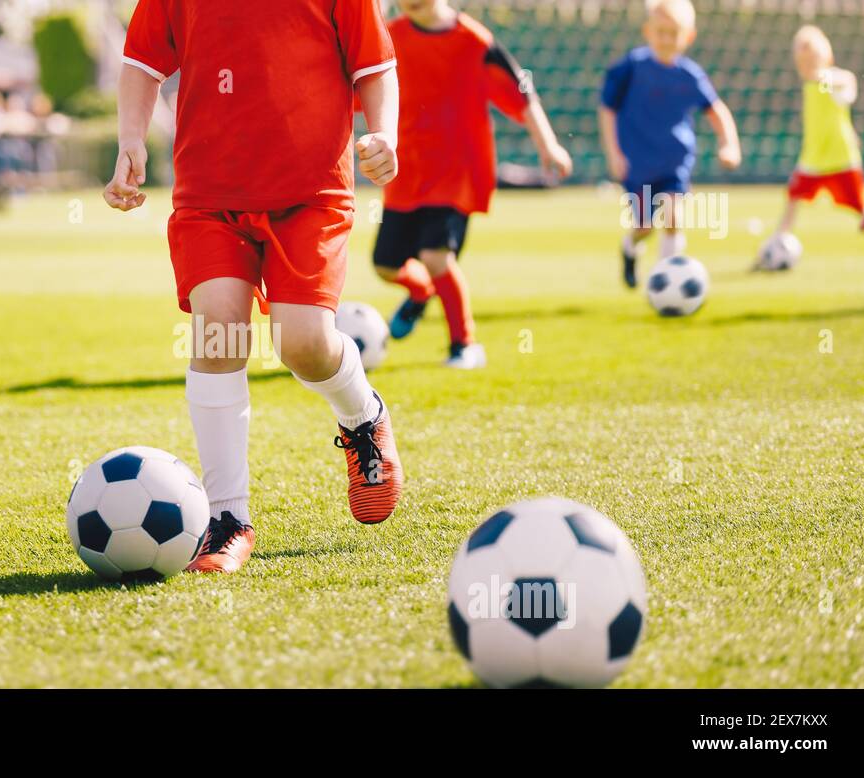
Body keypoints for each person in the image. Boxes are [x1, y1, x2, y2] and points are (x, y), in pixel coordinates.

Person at [103, 0, 405, 574]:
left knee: (304, 344)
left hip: (311, 192)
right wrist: (130, 139)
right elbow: (141, 62)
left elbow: (375, 65)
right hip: (210, 193)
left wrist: (383, 135)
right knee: (217, 333)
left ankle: (361, 416)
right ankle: (226, 520)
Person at [374, 0, 573, 369]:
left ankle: (464, 345)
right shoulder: (389, 35)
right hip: (406, 173)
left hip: (456, 174)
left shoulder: (475, 42)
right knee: (385, 265)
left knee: (437, 257)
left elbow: (522, 93)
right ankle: (421, 293)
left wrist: (549, 146)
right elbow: (362, 82)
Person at [599, 0, 741, 288]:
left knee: (674, 215)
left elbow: (717, 111)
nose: (666, 39)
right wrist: (614, 153)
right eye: (660, 31)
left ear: (688, 37)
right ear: (647, 31)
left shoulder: (690, 75)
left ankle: (666, 278)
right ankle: (630, 247)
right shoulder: (631, 67)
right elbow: (607, 109)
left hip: (674, 162)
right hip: (638, 164)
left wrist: (729, 145)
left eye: (673, 33)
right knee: (644, 226)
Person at [757, 25, 864, 270]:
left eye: (813, 59)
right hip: (812, 159)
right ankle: (775, 245)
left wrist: (828, 78)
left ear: (827, 58)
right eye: (804, 62)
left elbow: (846, 86)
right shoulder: (809, 84)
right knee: (792, 199)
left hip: (840, 157)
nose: (809, 67)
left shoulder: (827, 81)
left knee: (862, 208)